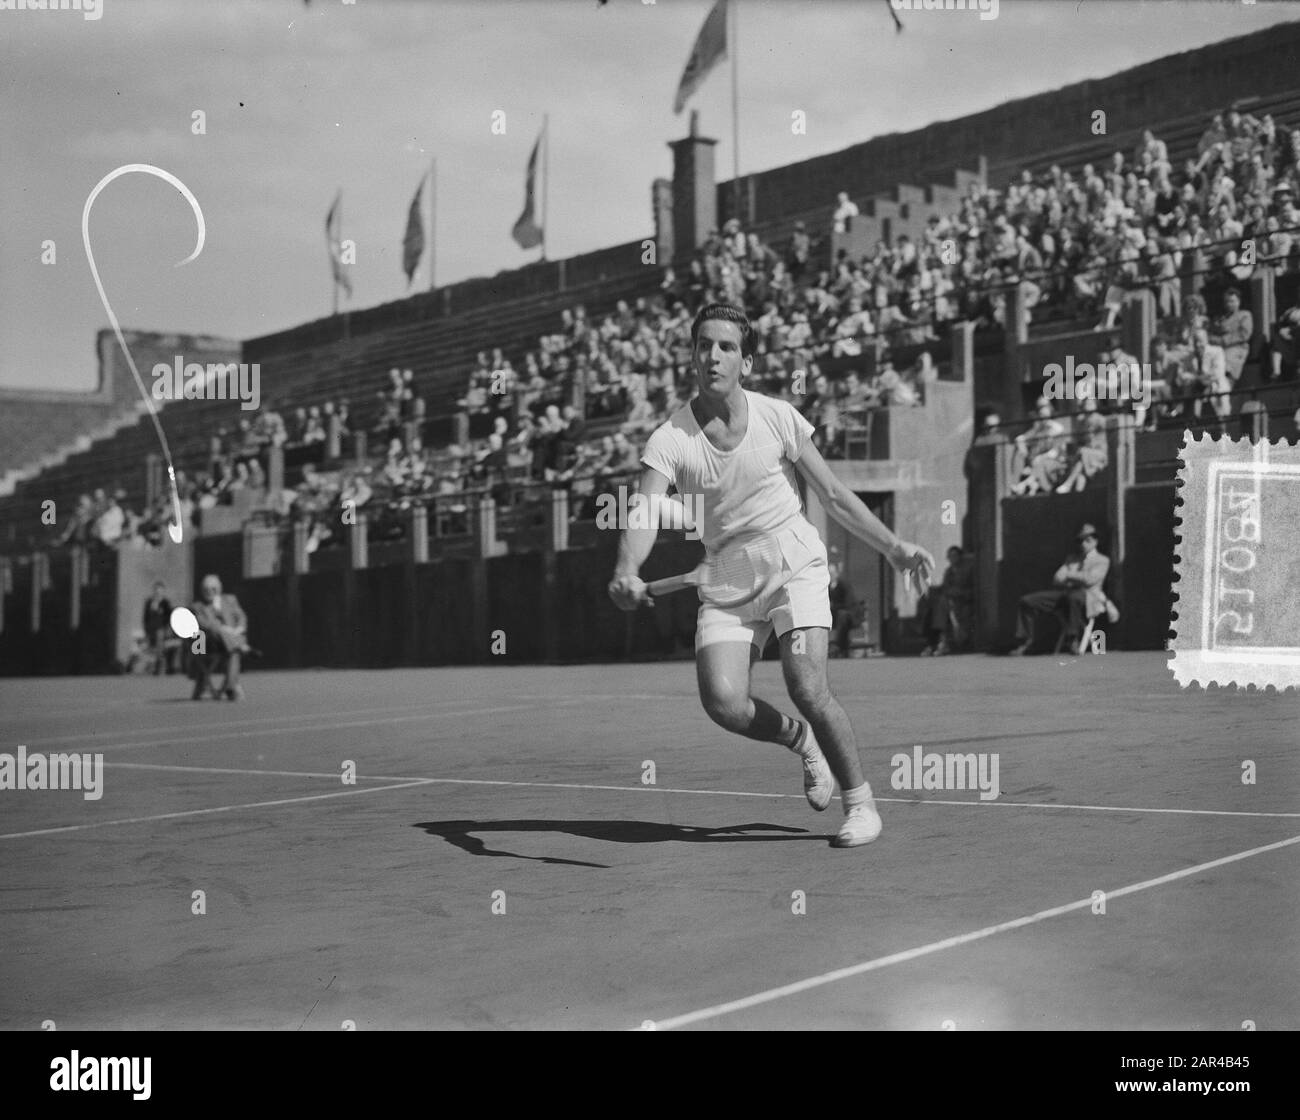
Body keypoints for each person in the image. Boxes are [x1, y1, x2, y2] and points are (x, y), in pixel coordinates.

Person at [607, 304, 934, 849]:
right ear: (691, 356)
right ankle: (801, 742)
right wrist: (626, 570)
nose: (713, 355)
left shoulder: (777, 417)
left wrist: (895, 548)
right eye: (704, 344)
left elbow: (832, 495)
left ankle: (862, 805)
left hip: (793, 566)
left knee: (806, 684)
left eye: (727, 346)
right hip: (726, 578)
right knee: (725, 703)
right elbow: (643, 509)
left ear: (747, 362)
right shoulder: (671, 438)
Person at [1010, 524, 1110, 655]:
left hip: (1089, 597)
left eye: (1088, 540)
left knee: (1074, 597)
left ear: (1095, 541)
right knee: (1027, 601)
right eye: (1080, 541)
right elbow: (1057, 578)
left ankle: (1072, 639)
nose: (1083, 544)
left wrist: (1069, 576)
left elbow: (1090, 580)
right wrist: (1075, 577)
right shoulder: (1072, 559)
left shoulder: (1102, 560)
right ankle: (1025, 641)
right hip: (1066, 594)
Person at [190, 573, 250, 700]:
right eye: (206, 589)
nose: (209, 592)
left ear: (219, 589)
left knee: (233, 653)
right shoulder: (198, 607)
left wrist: (239, 628)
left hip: (231, 641)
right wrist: (225, 630)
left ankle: (230, 686)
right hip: (210, 644)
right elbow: (206, 625)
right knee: (226, 638)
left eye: (213, 589)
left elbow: (241, 617)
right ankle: (239, 645)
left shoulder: (230, 600)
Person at [142, 581, 177, 676]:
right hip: (151, 630)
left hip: (162, 630)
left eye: (160, 592)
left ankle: (159, 666)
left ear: (163, 592)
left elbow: (170, 617)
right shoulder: (149, 602)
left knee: (159, 637)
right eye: (156, 591)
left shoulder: (165, 603)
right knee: (150, 645)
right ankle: (153, 666)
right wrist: (146, 630)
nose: (157, 594)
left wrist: (168, 629)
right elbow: (145, 618)